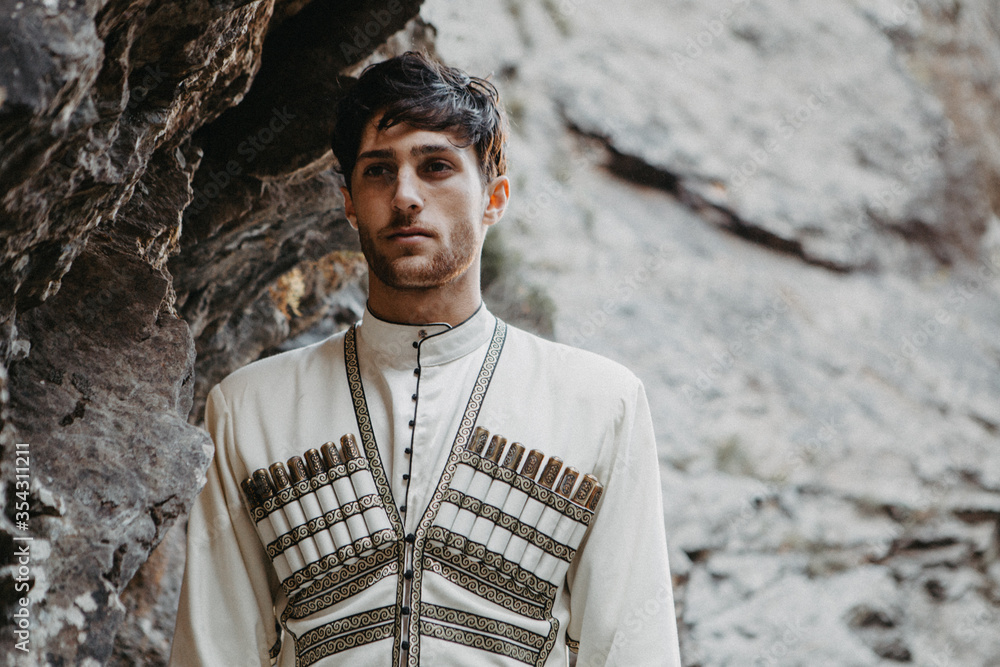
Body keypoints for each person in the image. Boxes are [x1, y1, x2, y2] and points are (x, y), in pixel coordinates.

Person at [170, 51, 682, 667]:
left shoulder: (601, 404)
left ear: (494, 198)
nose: (405, 196)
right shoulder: (250, 408)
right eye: (378, 171)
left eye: (436, 166)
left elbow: (631, 647)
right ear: (349, 202)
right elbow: (214, 651)